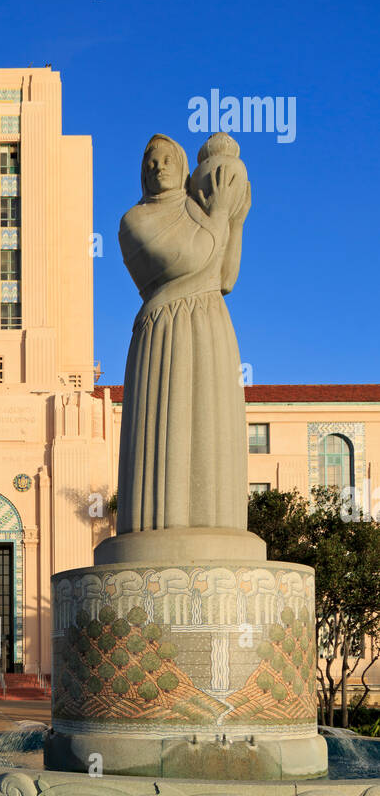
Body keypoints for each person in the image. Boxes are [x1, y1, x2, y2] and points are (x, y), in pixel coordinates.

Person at [114, 132, 251, 537]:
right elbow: (192, 257)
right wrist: (222, 213)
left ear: (184, 167)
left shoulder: (200, 210)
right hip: (164, 328)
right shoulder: (134, 221)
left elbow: (224, 276)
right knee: (162, 435)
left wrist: (235, 220)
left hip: (210, 320)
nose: (158, 168)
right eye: (150, 163)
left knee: (213, 420)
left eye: (166, 161)